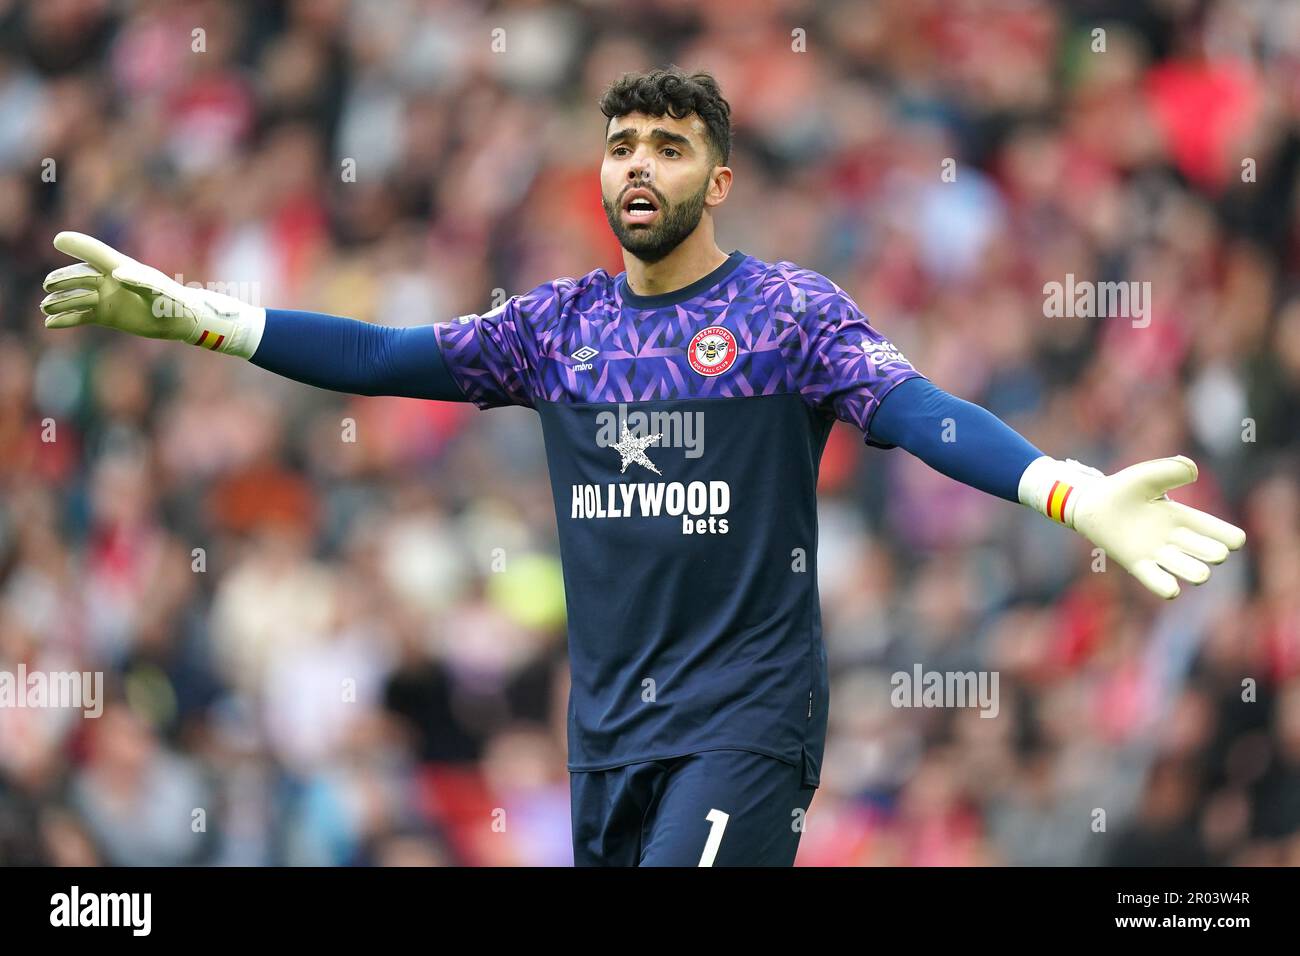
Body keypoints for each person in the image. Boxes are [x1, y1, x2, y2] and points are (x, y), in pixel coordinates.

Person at [39, 67, 1245, 866]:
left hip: (747, 718)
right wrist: (200, 315)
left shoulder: (787, 317)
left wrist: (1070, 490)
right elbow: (377, 352)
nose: (637, 165)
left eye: (667, 146)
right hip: (607, 737)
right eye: (620, 144)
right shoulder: (555, 328)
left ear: (716, 179)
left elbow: (918, 411)